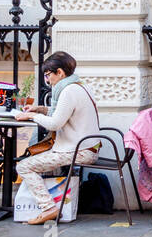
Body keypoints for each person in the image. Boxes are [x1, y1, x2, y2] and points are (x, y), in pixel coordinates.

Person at [12, 51, 101, 226]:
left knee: (24, 166)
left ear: (59, 72)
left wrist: (30, 117)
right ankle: (51, 206)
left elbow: (55, 124)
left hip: (78, 150)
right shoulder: (79, 86)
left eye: (48, 75)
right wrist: (39, 109)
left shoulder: (68, 91)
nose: (47, 80)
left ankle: (48, 208)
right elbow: (62, 113)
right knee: (35, 161)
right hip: (85, 148)